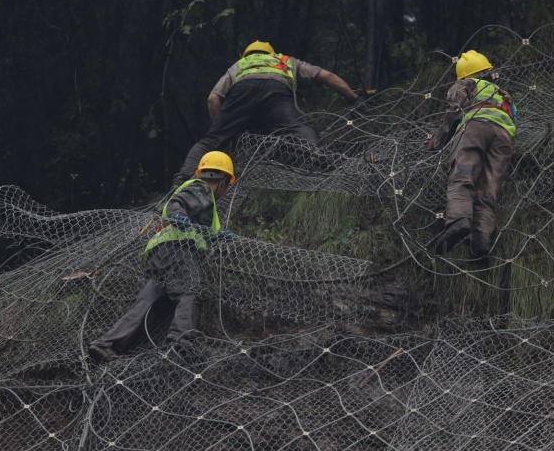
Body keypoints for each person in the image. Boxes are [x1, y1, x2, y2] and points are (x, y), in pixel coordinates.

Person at [88, 151, 237, 362]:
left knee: (147, 304)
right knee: (190, 292)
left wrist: (218, 236)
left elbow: (201, 229)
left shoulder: (201, 196)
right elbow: (178, 203)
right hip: (178, 250)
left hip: (160, 254)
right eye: (228, 184)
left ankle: (106, 345)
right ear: (222, 179)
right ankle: (182, 341)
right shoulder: (201, 188)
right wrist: (177, 215)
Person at [170, 40, 361, 188]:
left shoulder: (240, 65)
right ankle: (318, 156)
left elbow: (213, 98)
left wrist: (224, 131)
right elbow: (325, 76)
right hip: (276, 95)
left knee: (209, 142)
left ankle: (182, 179)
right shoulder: (285, 60)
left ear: (245, 54)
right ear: (271, 52)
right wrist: (353, 98)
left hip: (242, 93)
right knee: (298, 130)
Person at [426, 50, 516, 258]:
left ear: (465, 74)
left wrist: (436, 142)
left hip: (475, 127)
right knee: (488, 190)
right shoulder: (504, 95)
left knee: (462, 176)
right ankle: (481, 240)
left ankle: (458, 221)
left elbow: (453, 112)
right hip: (504, 138)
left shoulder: (466, 84)